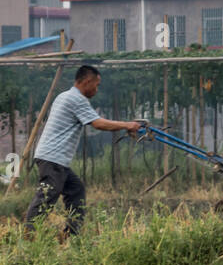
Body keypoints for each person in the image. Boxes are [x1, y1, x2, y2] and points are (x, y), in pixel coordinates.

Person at [24, 64, 141, 236]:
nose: (97, 89)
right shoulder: (75, 99)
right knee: (47, 196)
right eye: (97, 85)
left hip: (55, 158)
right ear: (87, 81)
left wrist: (126, 126)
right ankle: (29, 236)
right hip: (52, 158)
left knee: (76, 189)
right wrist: (127, 125)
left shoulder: (64, 96)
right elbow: (98, 123)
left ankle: (71, 235)